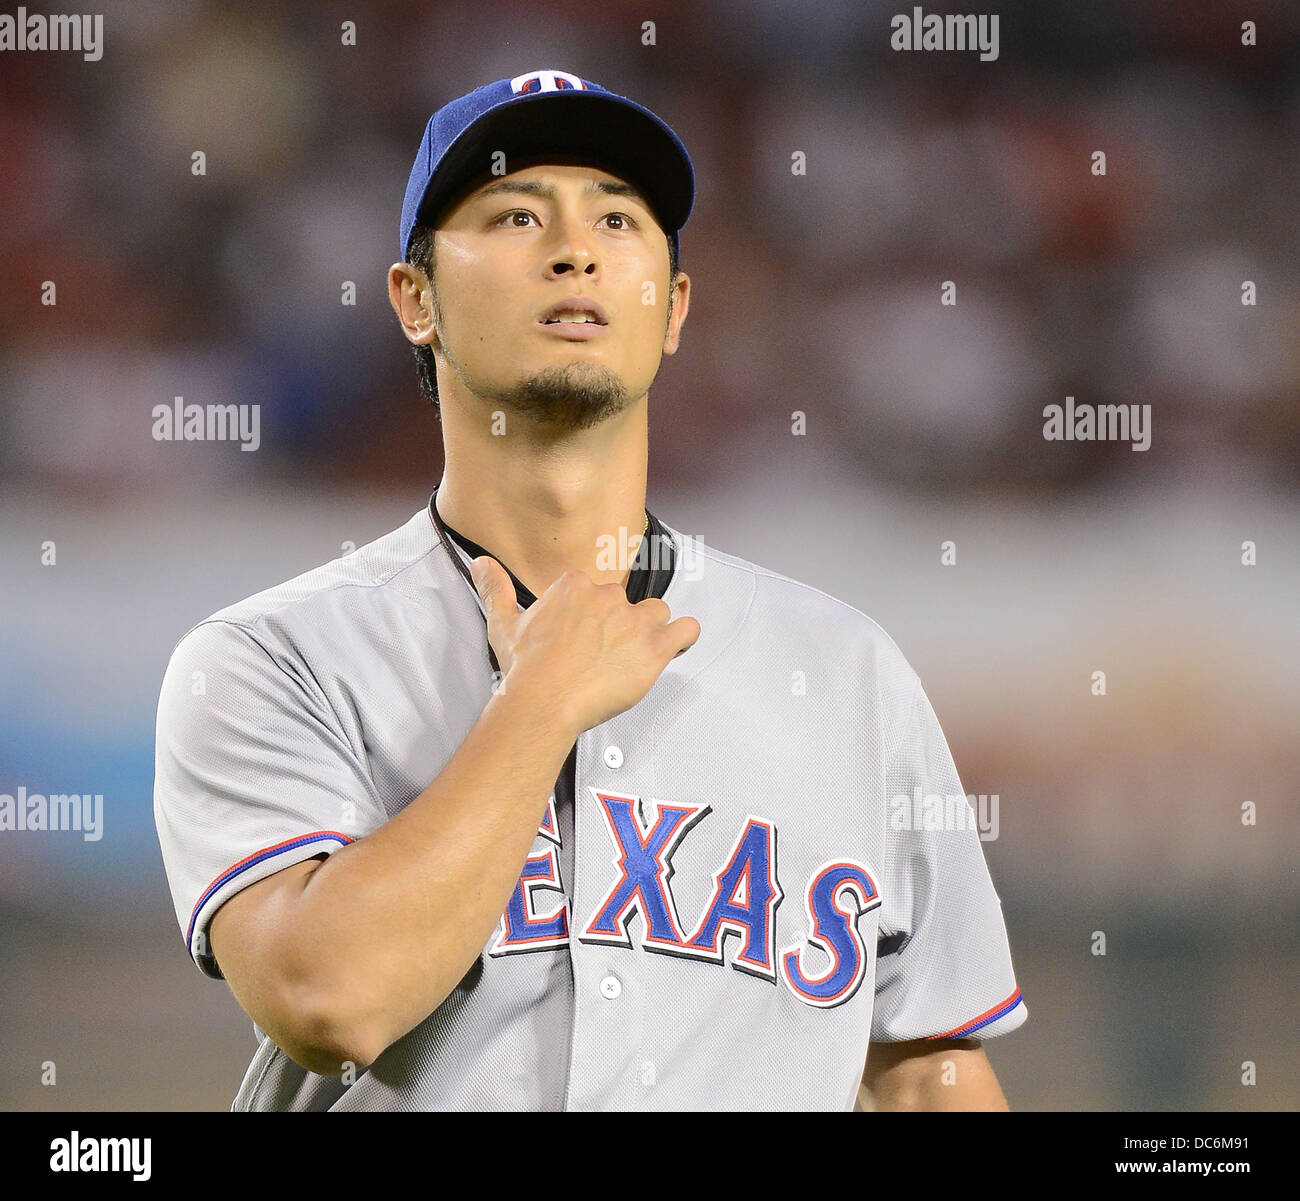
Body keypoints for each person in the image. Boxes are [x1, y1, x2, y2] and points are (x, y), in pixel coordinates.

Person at [153, 69, 1026, 1112]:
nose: (574, 248)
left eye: (617, 217)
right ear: (414, 299)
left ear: (673, 308)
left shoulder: (840, 668)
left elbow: (929, 1070)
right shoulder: (275, 658)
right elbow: (328, 1000)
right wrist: (540, 703)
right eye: (515, 214)